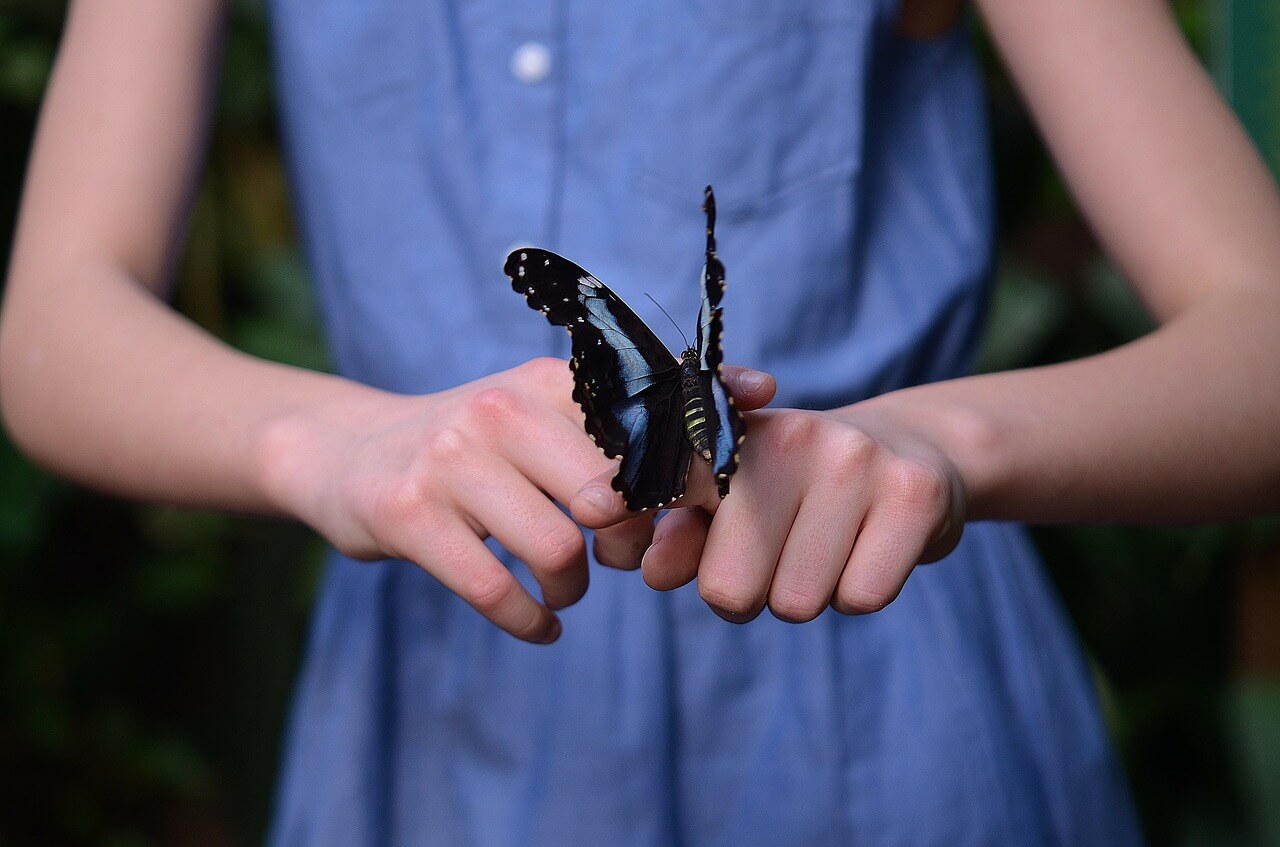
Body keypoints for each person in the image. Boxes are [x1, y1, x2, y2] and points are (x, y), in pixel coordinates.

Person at [2, 0, 1278, 843]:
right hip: (441, 732)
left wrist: (937, 445)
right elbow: (58, 320)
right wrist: (326, 440)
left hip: (881, 679)